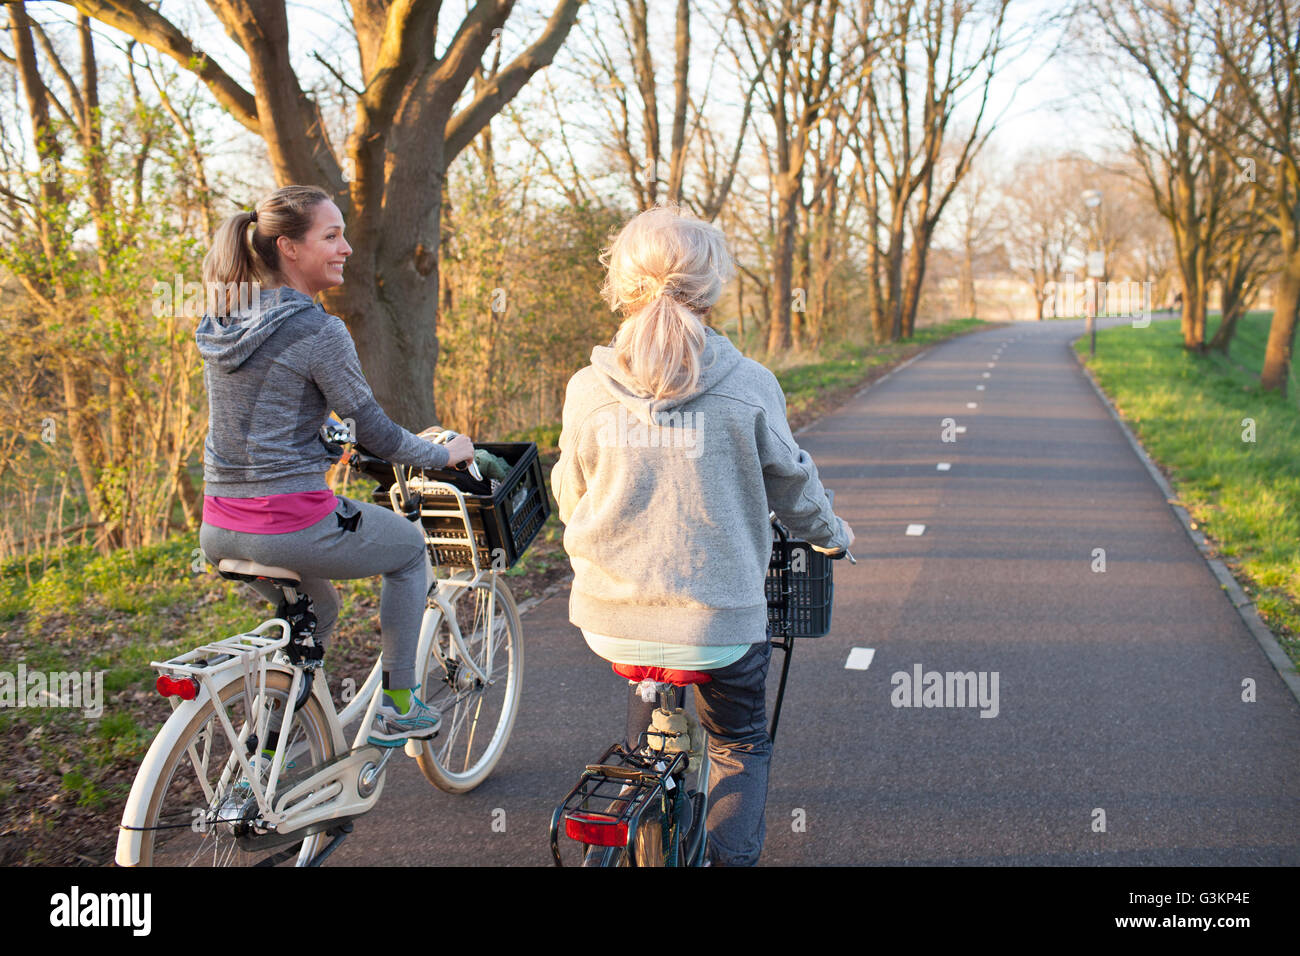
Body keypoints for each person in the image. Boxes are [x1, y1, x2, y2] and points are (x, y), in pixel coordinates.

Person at [551, 205, 854, 866]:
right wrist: (832, 537)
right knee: (739, 744)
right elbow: (796, 490)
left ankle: (645, 771)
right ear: (712, 287)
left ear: (622, 283)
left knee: (650, 698)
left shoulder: (587, 390)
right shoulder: (748, 386)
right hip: (717, 624)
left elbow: (571, 498)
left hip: (611, 621)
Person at [196, 184, 475, 747]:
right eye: (331, 235)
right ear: (289, 248)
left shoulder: (225, 322)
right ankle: (402, 704)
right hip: (289, 525)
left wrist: (324, 443)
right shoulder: (319, 329)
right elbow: (373, 428)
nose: (346, 247)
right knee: (407, 550)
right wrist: (442, 454)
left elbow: (263, 424)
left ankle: (265, 748)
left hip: (220, 527)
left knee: (317, 610)